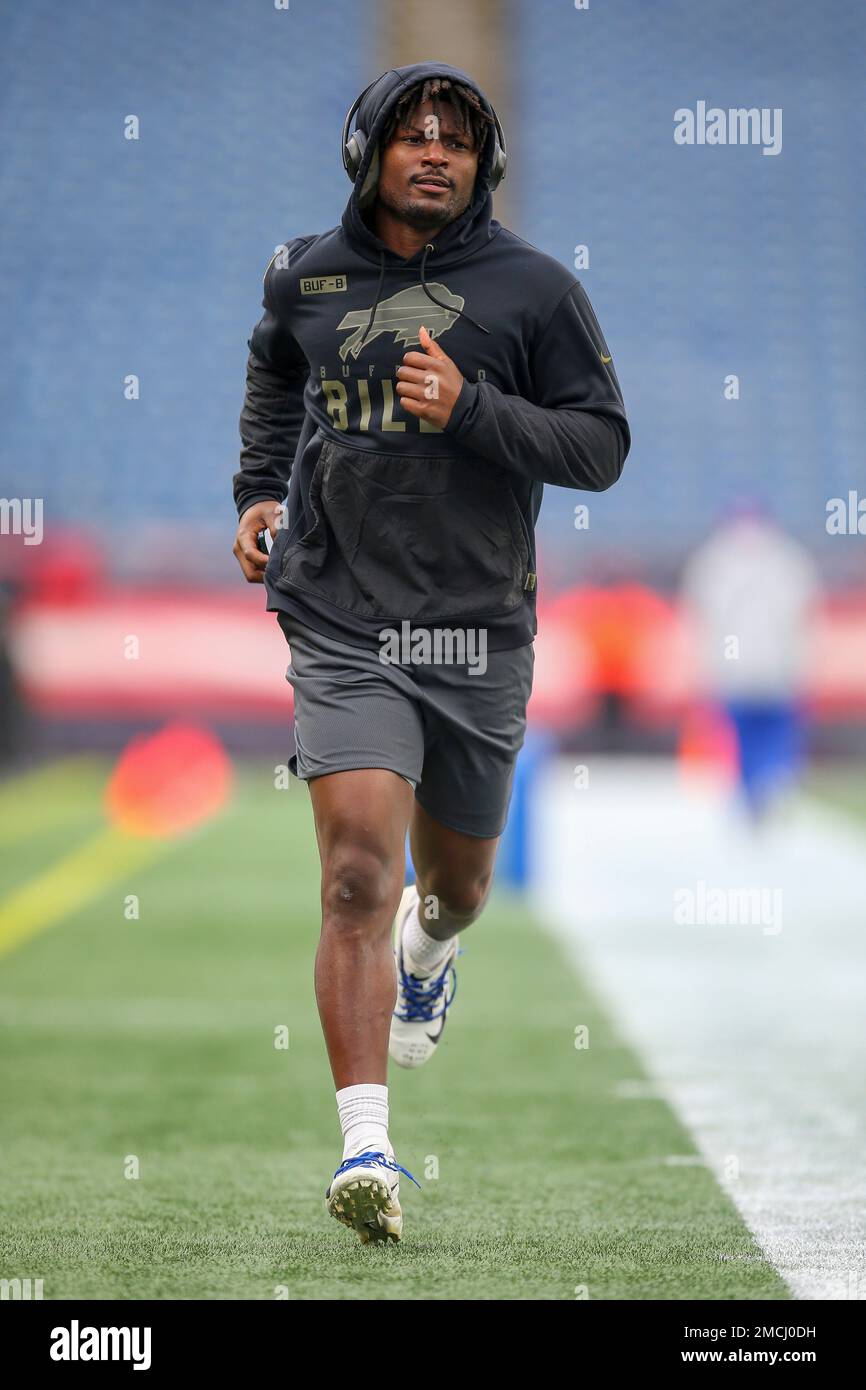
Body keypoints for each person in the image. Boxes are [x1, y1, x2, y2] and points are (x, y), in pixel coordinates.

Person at [232, 62, 630, 1243]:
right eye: (410, 132)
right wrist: (257, 494)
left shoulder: (537, 291)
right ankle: (368, 1147)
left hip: (473, 628)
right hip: (341, 613)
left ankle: (428, 950)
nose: (432, 150)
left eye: (455, 138)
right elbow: (273, 368)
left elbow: (601, 446)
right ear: (367, 150)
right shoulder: (305, 274)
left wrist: (466, 406)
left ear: (482, 164)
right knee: (357, 868)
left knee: (452, 886)